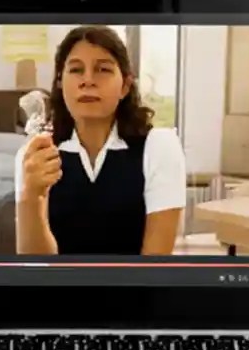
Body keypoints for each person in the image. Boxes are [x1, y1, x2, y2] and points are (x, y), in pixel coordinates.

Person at [15, 25, 186, 255]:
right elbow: (36, 270)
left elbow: (154, 267)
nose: (87, 80)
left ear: (125, 86)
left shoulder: (159, 147)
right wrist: (31, 197)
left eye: (103, 69)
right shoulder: (36, 157)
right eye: (76, 70)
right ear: (59, 83)